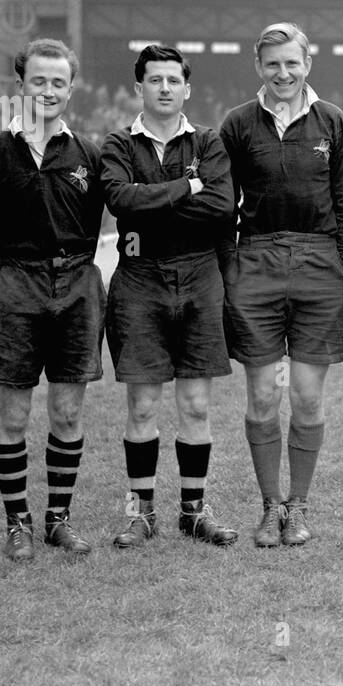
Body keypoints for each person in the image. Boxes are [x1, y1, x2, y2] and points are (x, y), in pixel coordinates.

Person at [0, 38, 106, 562]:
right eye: (38, 80)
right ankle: (17, 522)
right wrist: (7, 280)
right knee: (14, 412)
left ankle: (58, 520)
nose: (48, 90)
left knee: (67, 411)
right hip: (12, 288)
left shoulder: (89, 154)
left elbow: (91, 229)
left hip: (76, 288)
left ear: (71, 88)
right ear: (20, 84)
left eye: (58, 82)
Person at [219, 22, 343, 547]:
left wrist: (341, 265)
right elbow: (221, 205)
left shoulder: (333, 121)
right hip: (256, 260)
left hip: (320, 261)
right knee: (260, 396)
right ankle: (269, 506)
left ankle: (298, 506)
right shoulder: (236, 124)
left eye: (292, 63)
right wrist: (233, 267)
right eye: (272, 64)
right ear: (259, 67)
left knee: (306, 396)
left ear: (308, 65)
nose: (283, 73)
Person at [100, 44, 240, 549]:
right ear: (139, 86)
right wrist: (187, 186)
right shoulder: (117, 143)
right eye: (153, 79)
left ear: (187, 87)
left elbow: (222, 208)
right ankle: (142, 514)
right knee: (141, 404)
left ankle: (193, 511)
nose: (164, 88)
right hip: (139, 278)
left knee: (197, 404)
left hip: (200, 275)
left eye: (172, 80)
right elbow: (121, 203)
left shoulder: (209, 141)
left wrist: (155, 201)